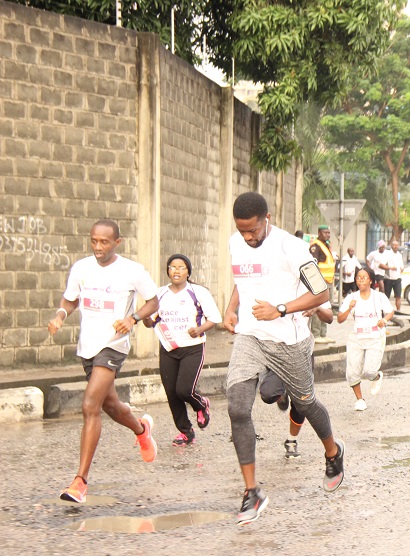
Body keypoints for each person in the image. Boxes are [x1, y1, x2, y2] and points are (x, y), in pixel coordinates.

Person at [222, 192, 344, 526]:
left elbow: (321, 293)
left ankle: (333, 452)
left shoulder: (291, 247)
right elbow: (242, 281)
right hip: (250, 335)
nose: (248, 237)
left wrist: (280, 309)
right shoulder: (235, 242)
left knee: (305, 404)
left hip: (289, 340)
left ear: (267, 218)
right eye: (242, 230)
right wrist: (231, 309)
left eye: (253, 230)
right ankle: (252, 492)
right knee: (236, 406)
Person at [47, 219, 159, 504]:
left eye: (104, 242)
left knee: (89, 405)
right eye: (94, 241)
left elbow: (153, 302)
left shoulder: (132, 271)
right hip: (88, 346)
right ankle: (141, 429)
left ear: (117, 243)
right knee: (109, 405)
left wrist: (132, 318)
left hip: (113, 345)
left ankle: (79, 482)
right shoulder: (81, 268)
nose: (98, 247)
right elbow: (70, 300)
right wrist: (61, 315)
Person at [143, 254, 221, 446]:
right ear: (168, 270)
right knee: (171, 392)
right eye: (172, 267)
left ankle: (201, 405)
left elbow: (214, 318)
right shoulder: (159, 293)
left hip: (192, 348)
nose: (176, 271)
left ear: (188, 271)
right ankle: (186, 432)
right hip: (169, 347)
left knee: (184, 390)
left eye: (181, 267)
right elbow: (149, 322)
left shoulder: (198, 292)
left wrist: (199, 329)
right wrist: (143, 316)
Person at [259, 300, 333, 459]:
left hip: (301, 351)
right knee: (267, 393)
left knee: (301, 403)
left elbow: (329, 317)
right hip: (273, 351)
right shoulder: (270, 282)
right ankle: (281, 392)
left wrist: (317, 307)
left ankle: (291, 441)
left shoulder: (311, 286)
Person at [337, 268, 394, 411]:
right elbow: (339, 319)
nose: (360, 280)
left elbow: (390, 311)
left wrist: (384, 320)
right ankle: (360, 400)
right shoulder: (351, 298)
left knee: (369, 371)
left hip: (375, 337)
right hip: (356, 338)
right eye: (358, 277)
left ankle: (376, 377)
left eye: (364, 277)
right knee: (352, 372)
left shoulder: (379, 297)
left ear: (370, 280)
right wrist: (349, 309)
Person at [309, 225, 336, 344]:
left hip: (328, 281)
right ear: (319, 233)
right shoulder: (316, 246)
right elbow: (313, 264)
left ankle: (323, 334)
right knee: (318, 307)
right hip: (320, 282)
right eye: (325, 233)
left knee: (326, 308)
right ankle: (316, 333)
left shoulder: (326, 245)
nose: (327, 235)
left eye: (329, 233)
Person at [379, 239, 405, 311]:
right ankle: (385, 310)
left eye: (397, 245)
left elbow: (402, 266)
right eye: (394, 245)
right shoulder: (387, 254)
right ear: (391, 246)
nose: (395, 247)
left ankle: (398, 310)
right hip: (388, 279)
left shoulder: (399, 255)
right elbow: (381, 265)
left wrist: (401, 269)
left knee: (398, 296)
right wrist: (390, 268)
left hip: (397, 278)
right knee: (386, 296)